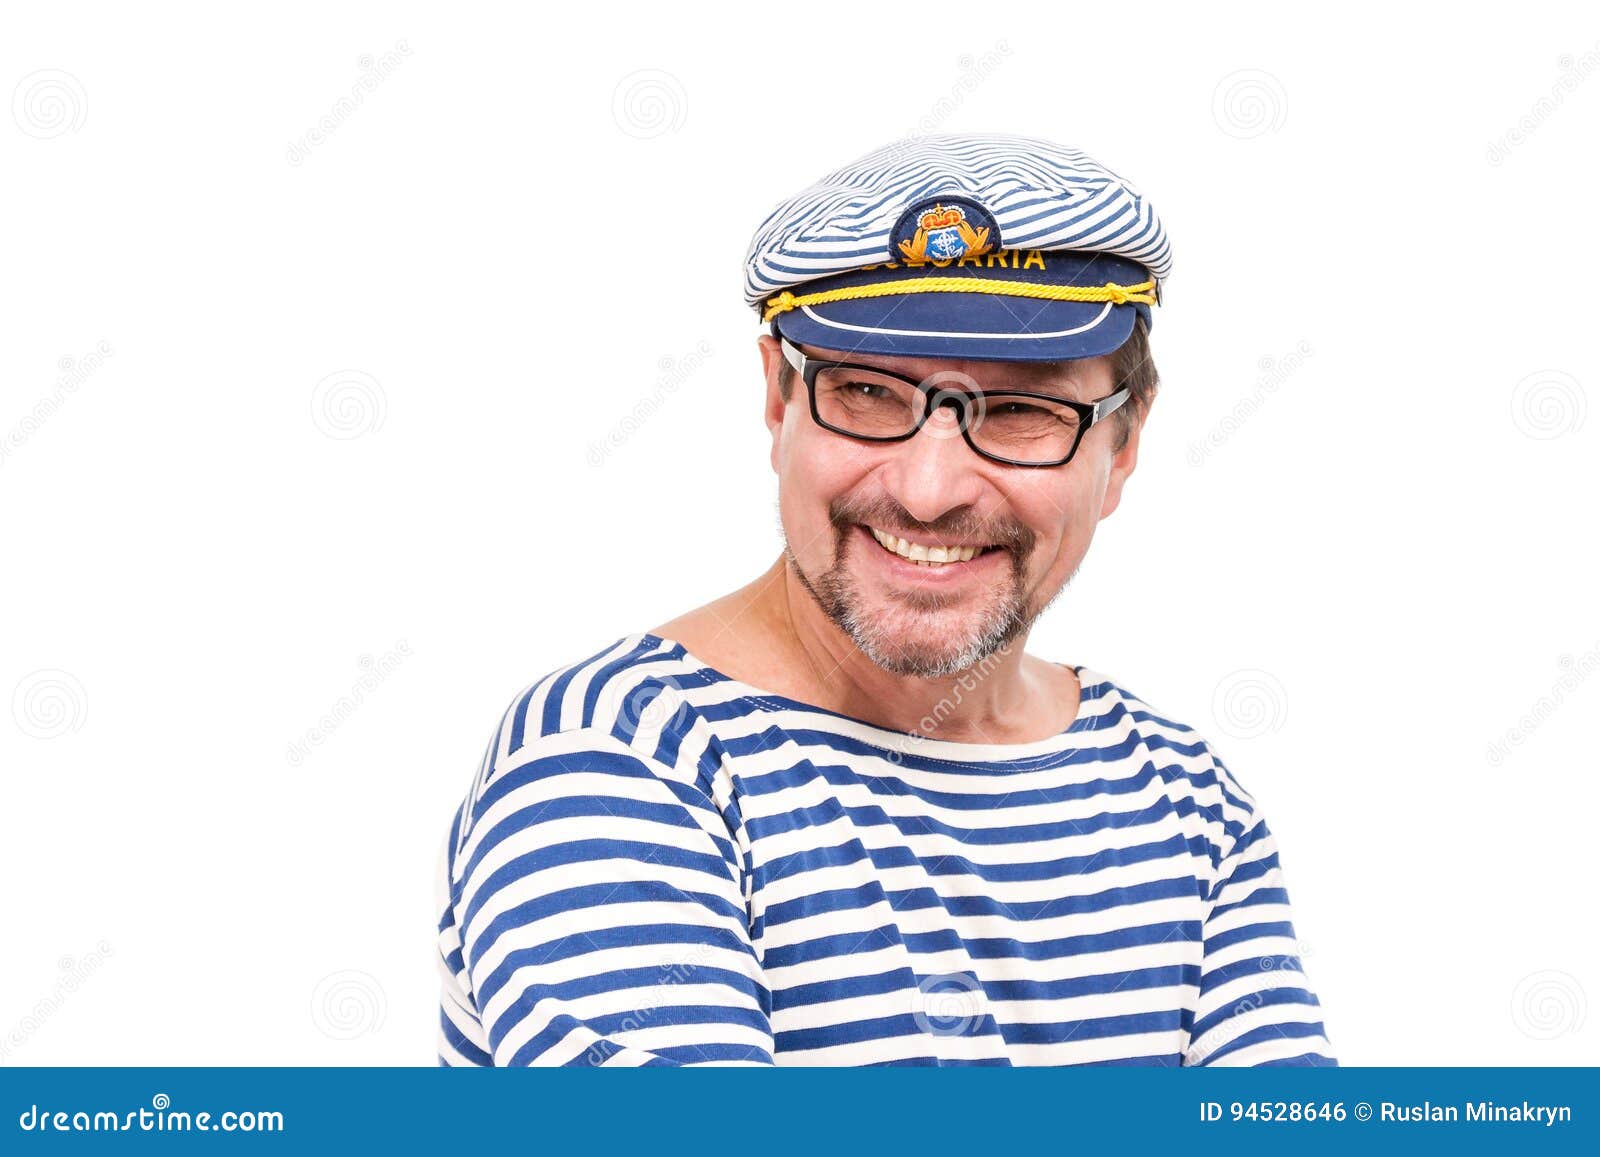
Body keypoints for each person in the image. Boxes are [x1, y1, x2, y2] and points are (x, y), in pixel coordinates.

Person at [434, 133, 1336, 1066]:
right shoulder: (618, 761)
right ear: (778, 401)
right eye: (866, 391)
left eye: (1021, 410)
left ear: (1125, 444)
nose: (928, 489)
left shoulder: (1189, 802)